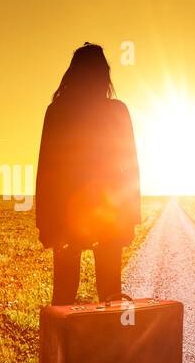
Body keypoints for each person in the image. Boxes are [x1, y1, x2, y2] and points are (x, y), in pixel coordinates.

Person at [35, 43, 141, 305]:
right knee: (111, 291)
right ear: (104, 74)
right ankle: (111, 343)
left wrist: (45, 222)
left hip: (65, 212)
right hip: (109, 211)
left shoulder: (57, 110)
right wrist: (131, 217)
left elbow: (46, 168)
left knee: (63, 294)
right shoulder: (117, 110)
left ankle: (61, 345)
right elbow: (130, 167)